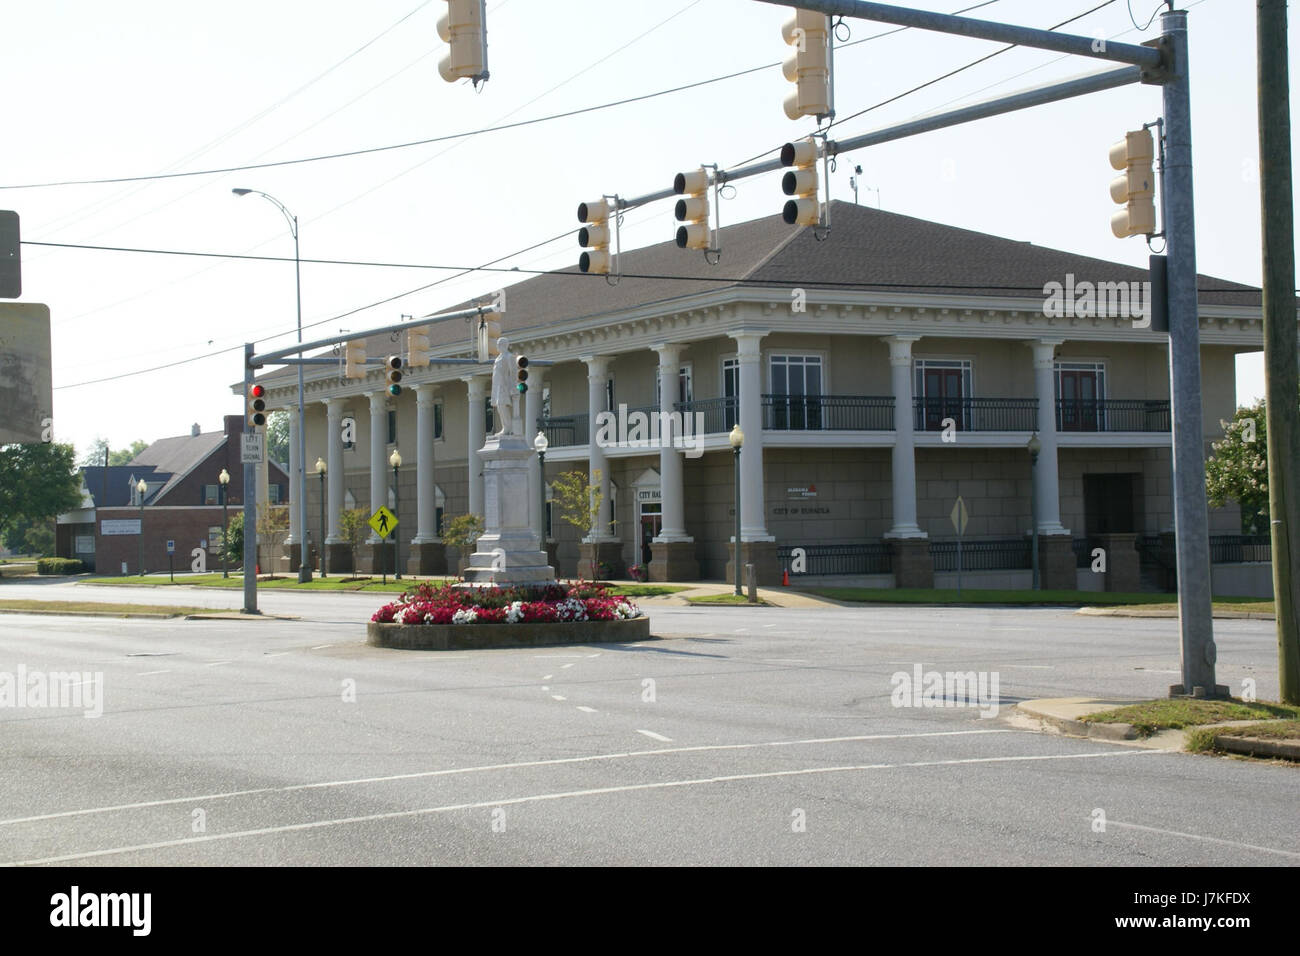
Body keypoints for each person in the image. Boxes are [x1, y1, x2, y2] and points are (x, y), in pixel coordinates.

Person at [490, 336, 519, 436]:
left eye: (499, 344)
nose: (497, 346)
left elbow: (513, 372)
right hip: (497, 385)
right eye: (497, 344)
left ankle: (507, 427)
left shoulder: (509, 356)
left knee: (502, 405)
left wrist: (513, 387)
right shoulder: (499, 357)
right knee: (499, 406)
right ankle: (505, 427)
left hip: (504, 385)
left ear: (504, 345)